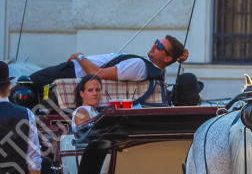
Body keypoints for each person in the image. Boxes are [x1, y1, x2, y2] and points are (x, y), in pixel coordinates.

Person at [25, 34, 187, 105]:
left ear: (167, 58)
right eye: (156, 41)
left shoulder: (139, 66)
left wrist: (79, 56)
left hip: (73, 72)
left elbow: (97, 74)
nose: (154, 45)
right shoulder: (150, 69)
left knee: (27, 83)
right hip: (73, 72)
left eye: (159, 46)